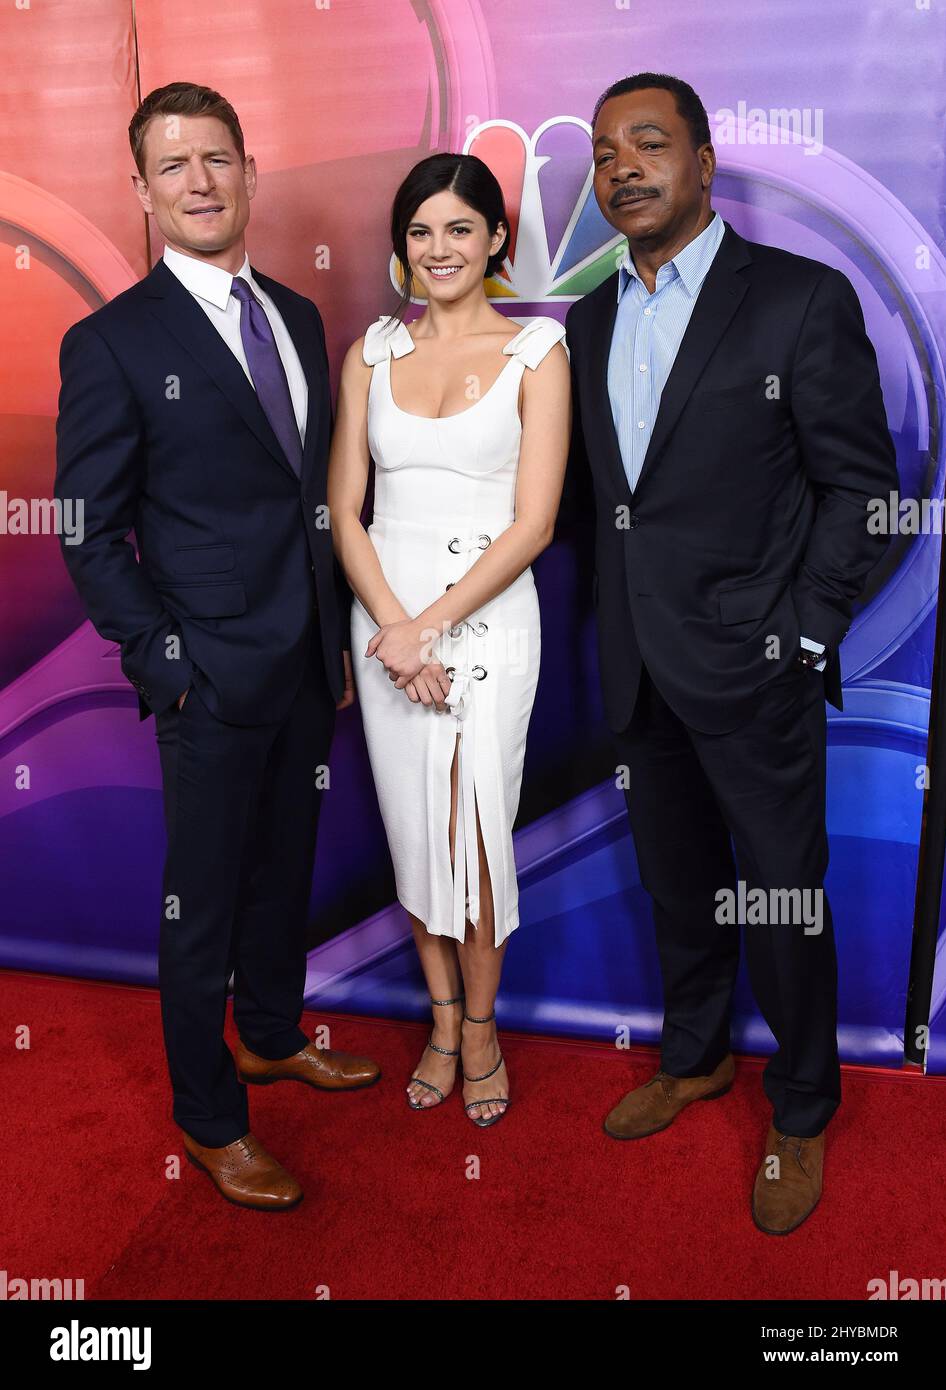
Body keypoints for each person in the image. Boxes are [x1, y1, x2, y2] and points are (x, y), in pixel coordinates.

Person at [564, 73, 897, 1233]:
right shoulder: (592, 317)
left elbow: (862, 488)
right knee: (677, 886)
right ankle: (696, 1053)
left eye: (649, 145)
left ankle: (802, 1106)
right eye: (606, 154)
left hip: (759, 668)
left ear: (704, 162)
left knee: (783, 899)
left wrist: (804, 635)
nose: (624, 170)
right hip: (639, 666)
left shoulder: (799, 300)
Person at [54, 81, 380, 1212]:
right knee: (200, 897)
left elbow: (308, 500)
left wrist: (333, 638)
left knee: (285, 866)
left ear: (249, 173)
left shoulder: (291, 314)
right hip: (207, 677)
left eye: (218, 159)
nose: (200, 181)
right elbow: (89, 529)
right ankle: (210, 1118)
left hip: (304, 661)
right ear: (142, 191)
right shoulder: (110, 342)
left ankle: (275, 1032)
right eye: (174, 165)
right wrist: (167, 662)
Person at [328, 153, 569, 1126]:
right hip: (385, 618)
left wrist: (428, 628)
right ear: (402, 246)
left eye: (459, 229)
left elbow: (535, 522)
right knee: (415, 834)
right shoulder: (371, 352)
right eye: (421, 231)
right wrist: (393, 629)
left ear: (497, 240)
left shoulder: (537, 351)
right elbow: (346, 509)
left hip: (486, 622)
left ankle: (482, 1027)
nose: (439, 248)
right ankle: (438, 1020)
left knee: (475, 836)